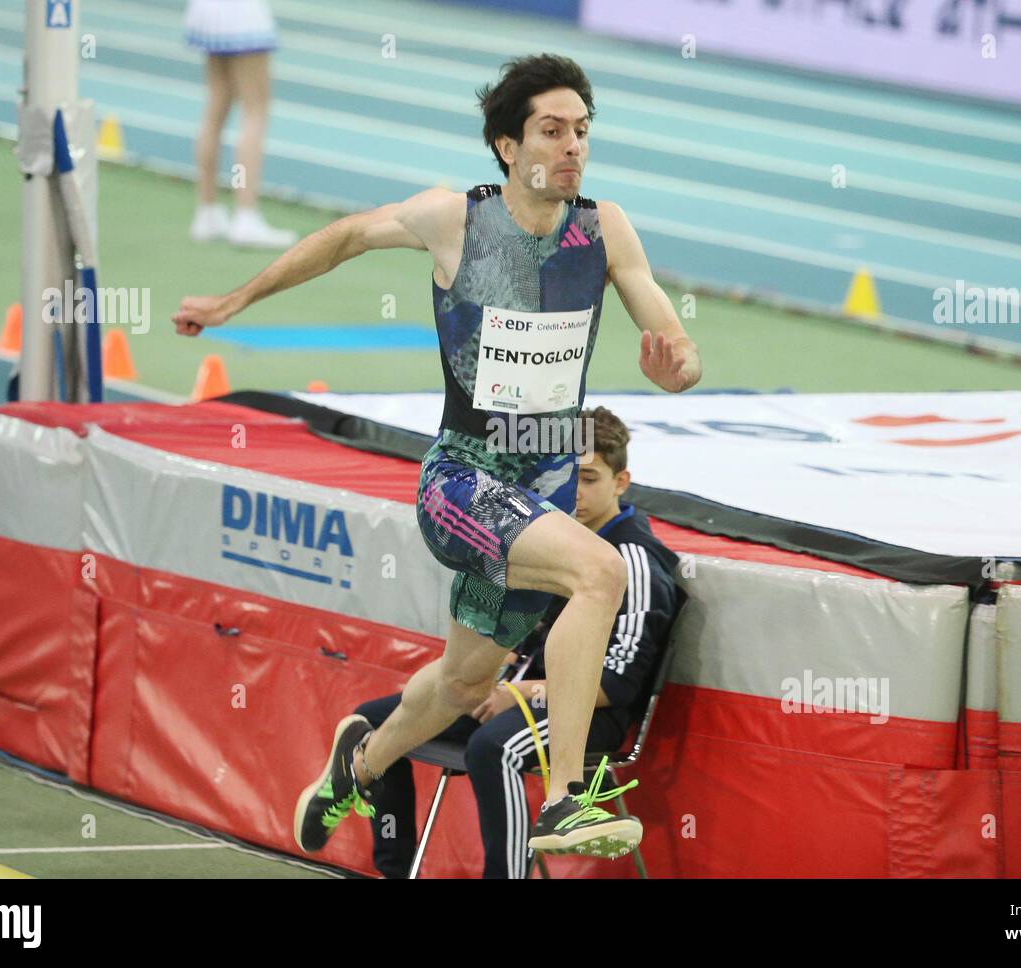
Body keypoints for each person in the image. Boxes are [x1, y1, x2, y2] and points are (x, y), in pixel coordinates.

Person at [172, 54, 702, 860]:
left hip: (545, 490)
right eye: (551, 132)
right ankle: (563, 799)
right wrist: (231, 301)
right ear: (506, 146)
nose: (572, 149)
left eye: (582, 133)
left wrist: (678, 370)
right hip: (463, 482)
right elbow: (345, 238)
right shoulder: (454, 220)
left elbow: (674, 339)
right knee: (600, 573)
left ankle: (357, 765)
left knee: (464, 684)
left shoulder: (604, 229)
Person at [356, 406, 683, 877]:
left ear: (621, 482)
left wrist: (520, 692)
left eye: (590, 478)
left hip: (592, 712)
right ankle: (392, 869)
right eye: (573, 477)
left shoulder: (630, 559)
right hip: (512, 695)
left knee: (496, 748)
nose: (579, 492)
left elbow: (622, 684)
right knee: (376, 717)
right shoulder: (537, 537)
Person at [183, 0, 299, 248]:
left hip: (206, 10)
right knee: (255, 110)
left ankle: (207, 211)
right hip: (240, 13)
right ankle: (245, 214)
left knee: (217, 103)